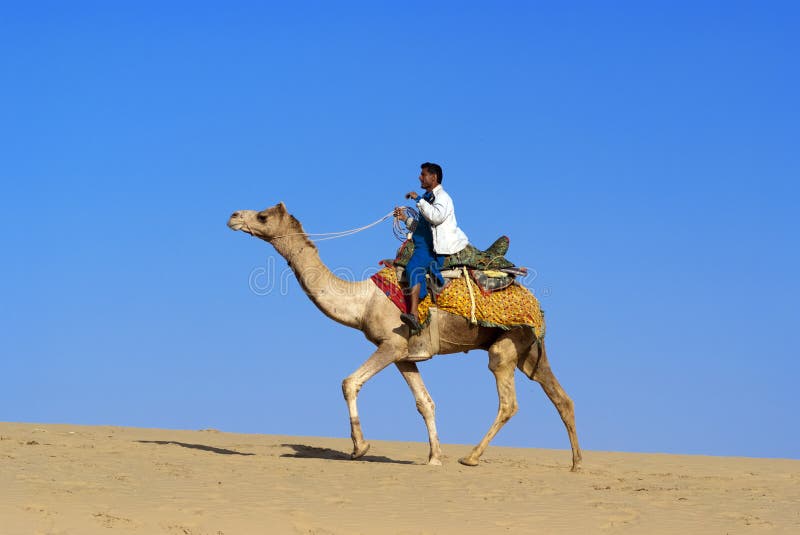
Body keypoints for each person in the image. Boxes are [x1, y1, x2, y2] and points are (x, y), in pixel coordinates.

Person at [393, 162, 469, 333]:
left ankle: (413, 314)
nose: (420, 177)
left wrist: (417, 199)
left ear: (433, 178)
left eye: (423, 174)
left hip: (433, 249)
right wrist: (404, 218)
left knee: (413, 266)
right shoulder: (428, 199)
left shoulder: (443, 198)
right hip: (423, 242)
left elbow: (436, 217)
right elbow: (423, 227)